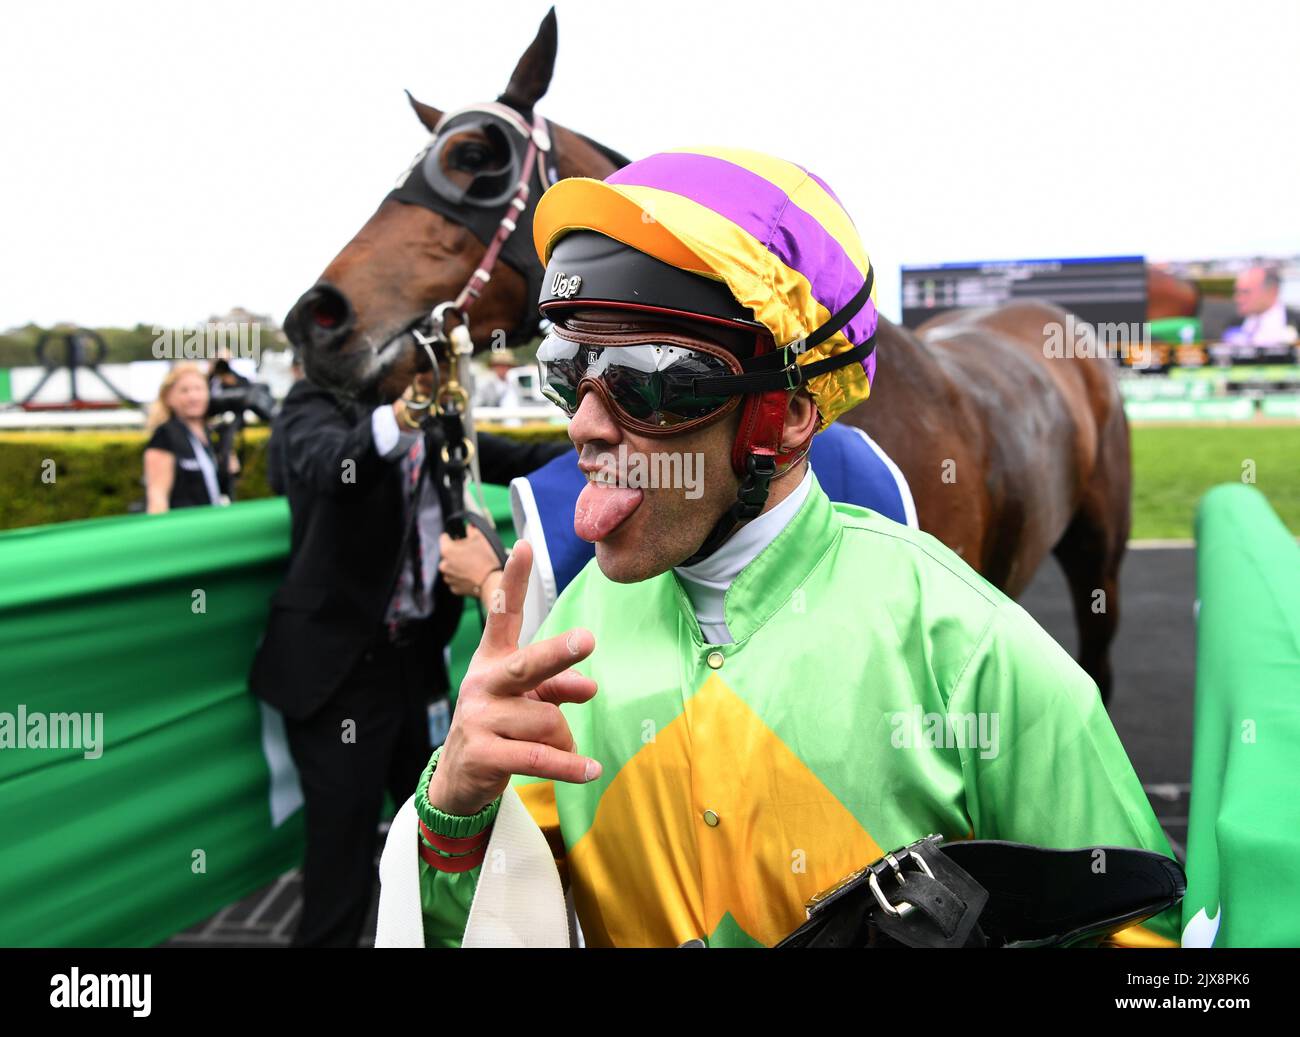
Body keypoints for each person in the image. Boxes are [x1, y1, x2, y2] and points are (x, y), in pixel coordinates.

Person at [396, 147, 1182, 948]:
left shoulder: (979, 651)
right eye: (568, 370)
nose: (584, 425)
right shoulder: (566, 636)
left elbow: (1145, 939)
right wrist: (454, 811)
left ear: (790, 413)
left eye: (646, 377)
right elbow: (493, 924)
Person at [248, 365, 566, 947]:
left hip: (417, 667)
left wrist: (610, 441)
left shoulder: (441, 418)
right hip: (338, 674)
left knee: (439, 833)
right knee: (339, 861)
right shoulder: (319, 400)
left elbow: (505, 456)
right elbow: (327, 464)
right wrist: (403, 413)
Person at [142, 362, 230, 513]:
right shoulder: (165, 435)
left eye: (199, 389)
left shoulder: (208, 434)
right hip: (183, 528)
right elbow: (157, 496)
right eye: (184, 391)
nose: (193, 396)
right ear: (168, 397)